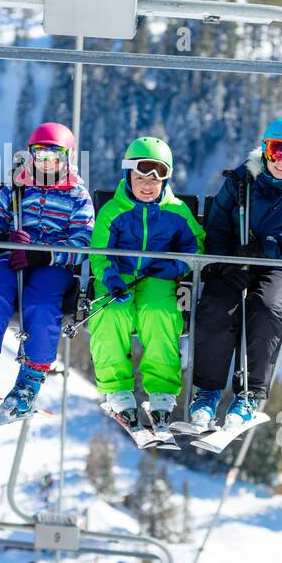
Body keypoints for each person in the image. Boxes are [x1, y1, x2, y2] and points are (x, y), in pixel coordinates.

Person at [189, 117, 282, 431]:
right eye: (276, 150)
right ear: (264, 150)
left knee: (265, 310)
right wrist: (225, 261)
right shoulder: (242, 180)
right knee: (217, 306)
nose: (281, 161)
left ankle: (249, 396)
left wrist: (268, 248)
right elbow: (218, 223)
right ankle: (207, 393)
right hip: (237, 258)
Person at [0, 123, 94, 418]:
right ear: (30, 156)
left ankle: (29, 381)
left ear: (67, 159)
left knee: (42, 303)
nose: (46, 164)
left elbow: (83, 241)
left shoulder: (77, 197)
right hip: (12, 259)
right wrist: (5, 241)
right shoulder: (15, 191)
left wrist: (45, 255)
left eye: (54, 157)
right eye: (40, 156)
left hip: (51, 266)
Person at [88, 136, 204, 429]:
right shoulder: (113, 211)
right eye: (141, 176)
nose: (148, 185)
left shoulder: (176, 211)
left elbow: (196, 247)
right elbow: (99, 252)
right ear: (128, 174)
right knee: (110, 313)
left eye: (157, 177)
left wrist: (175, 266)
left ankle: (162, 393)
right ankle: (117, 389)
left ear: (166, 179)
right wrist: (110, 277)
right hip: (119, 278)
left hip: (158, 277)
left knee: (160, 313)